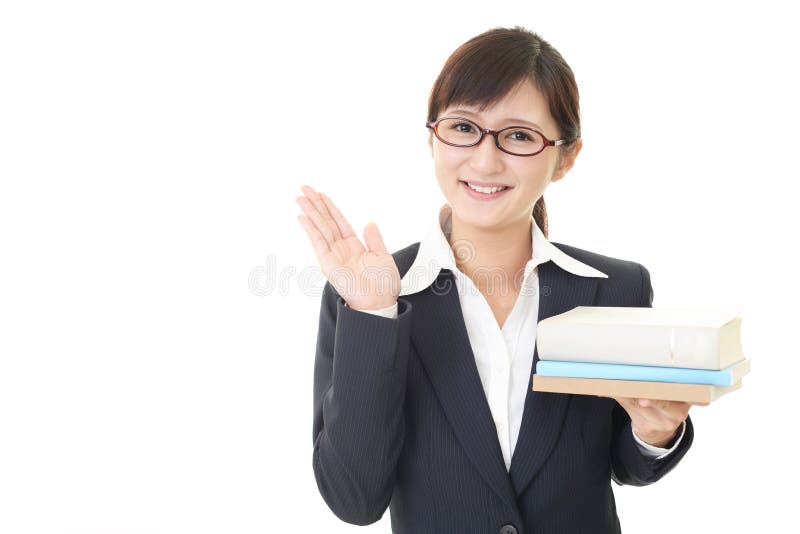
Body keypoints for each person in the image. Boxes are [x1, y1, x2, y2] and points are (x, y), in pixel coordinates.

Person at [296, 26, 701, 534]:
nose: (485, 160)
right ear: (433, 137)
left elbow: (626, 462)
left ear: (566, 157)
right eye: (464, 128)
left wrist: (654, 433)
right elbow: (354, 499)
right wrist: (375, 315)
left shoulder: (616, 287)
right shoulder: (367, 297)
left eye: (518, 136)